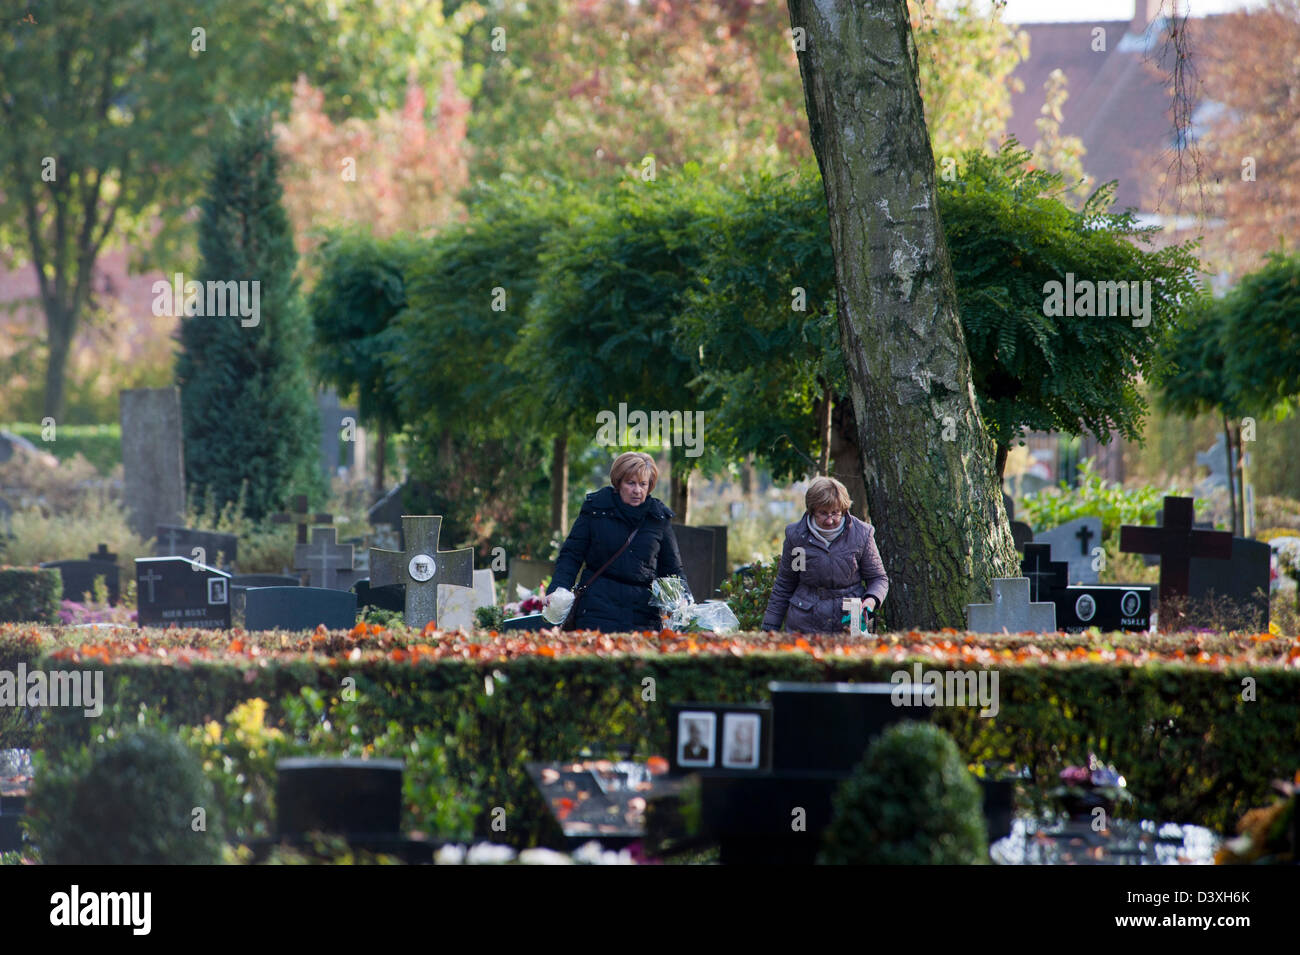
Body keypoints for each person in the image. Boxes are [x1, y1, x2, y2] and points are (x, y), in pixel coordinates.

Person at [547, 451, 689, 632]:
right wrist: (558, 589)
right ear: (619, 483)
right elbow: (572, 555)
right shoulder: (596, 508)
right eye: (631, 483)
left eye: (643, 484)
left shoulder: (658, 518)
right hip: (596, 610)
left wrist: (684, 602)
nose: (637, 490)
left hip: (642, 616)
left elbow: (672, 570)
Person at [761, 476, 888, 633]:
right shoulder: (797, 537)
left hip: (852, 621)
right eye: (823, 513)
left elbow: (878, 578)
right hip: (804, 624)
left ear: (843, 509)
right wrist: (769, 627)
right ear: (812, 510)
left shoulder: (862, 533)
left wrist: (871, 600)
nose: (830, 521)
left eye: (835, 513)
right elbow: (786, 583)